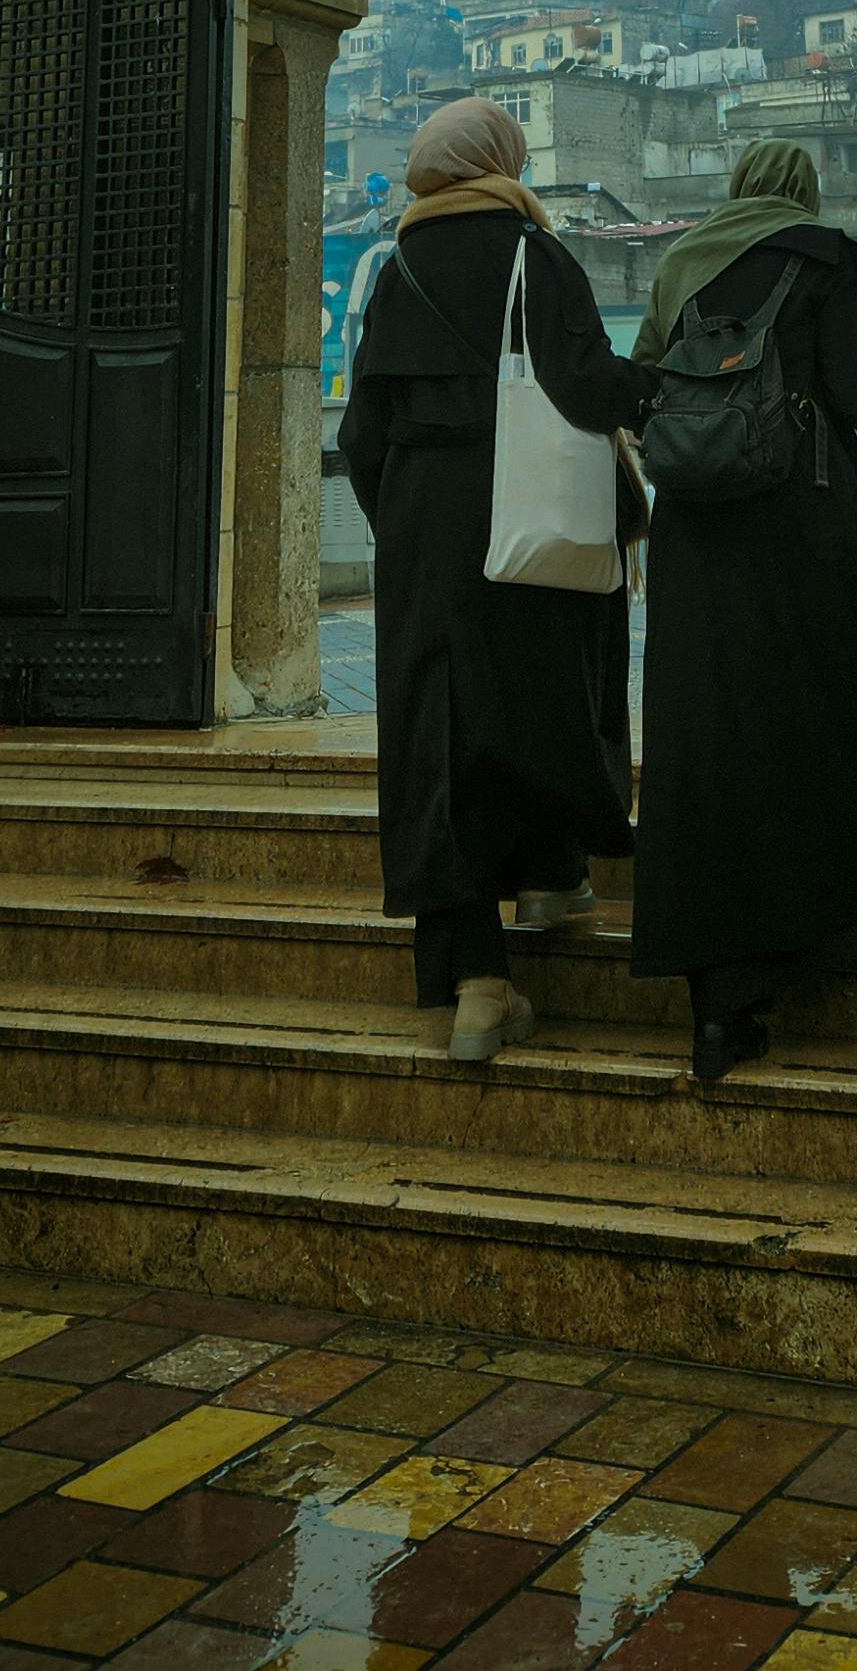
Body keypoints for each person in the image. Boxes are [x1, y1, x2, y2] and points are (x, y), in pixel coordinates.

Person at [628, 139, 857, 1085]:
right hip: (803, 519)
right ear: (802, 192)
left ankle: (718, 1003)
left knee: (710, 732)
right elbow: (845, 395)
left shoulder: (679, 261)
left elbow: (643, 382)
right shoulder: (824, 255)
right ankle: (849, 914)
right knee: (833, 698)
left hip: (697, 537)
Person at [336, 99, 646, 1060]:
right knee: (547, 696)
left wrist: (415, 531)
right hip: (527, 523)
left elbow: (362, 437)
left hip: (428, 532)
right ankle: (557, 871)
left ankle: (477, 982)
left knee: (443, 734)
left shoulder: (395, 271)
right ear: (501, 160)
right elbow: (588, 386)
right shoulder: (533, 255)